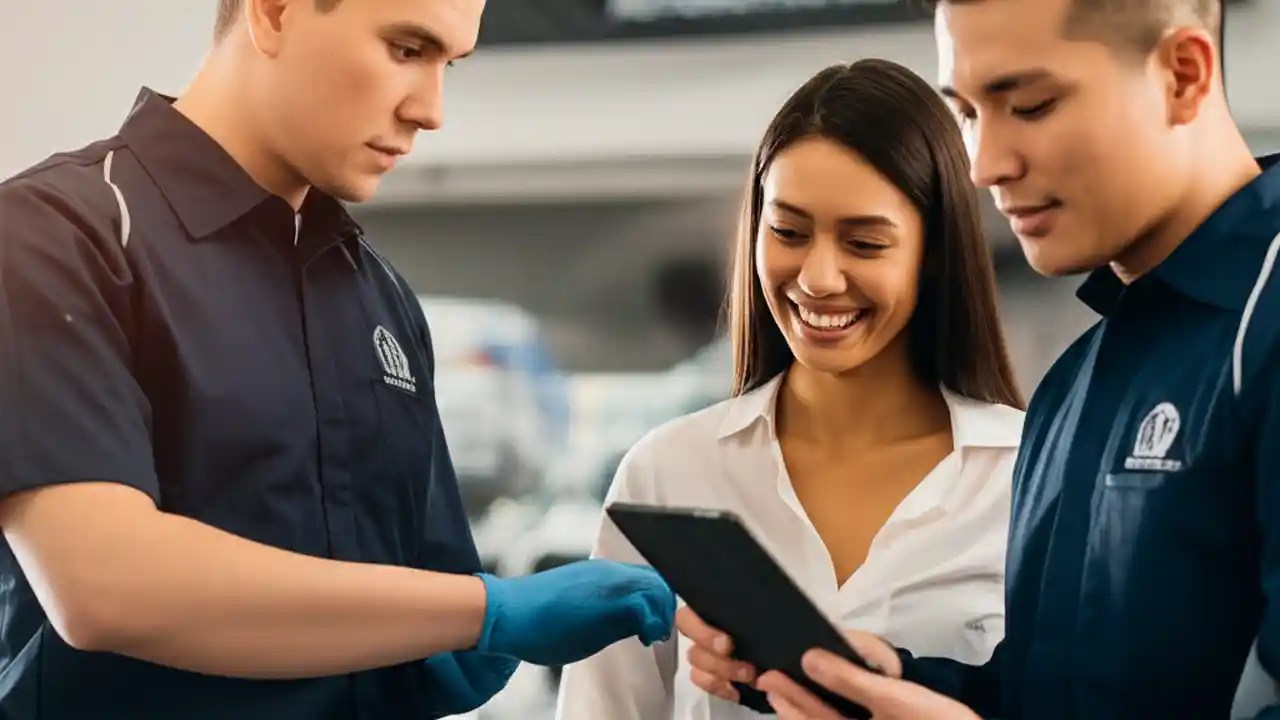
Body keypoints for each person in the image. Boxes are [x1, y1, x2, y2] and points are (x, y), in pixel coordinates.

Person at [0, 1, 676, 718]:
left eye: (448, 65)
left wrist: (476, 643)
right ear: (275, 11)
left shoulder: (379, 295)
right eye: (407, 49)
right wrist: (490, 611)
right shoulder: (57, 236)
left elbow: (422, 623)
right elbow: (107, 586)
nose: (431, 111)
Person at [678, 0, 1280, 718]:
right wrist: (891, 683)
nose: (984, 165)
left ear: (1182, 74)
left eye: (1030, 106)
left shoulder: (1263, 327)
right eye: (965, 112)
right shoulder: (1078, 382)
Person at [555, 58, 1026, 719]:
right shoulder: (669, 471)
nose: (818, 278)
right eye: (788, 233)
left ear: (935, 252)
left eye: (864, 243)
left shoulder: (1027, 474)